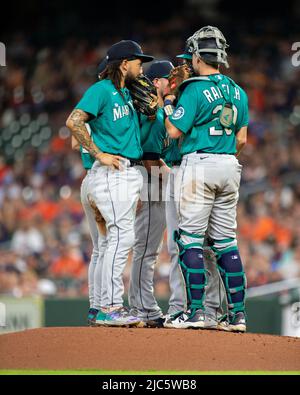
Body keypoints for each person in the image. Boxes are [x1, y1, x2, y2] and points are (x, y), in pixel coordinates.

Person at [164, 26, 248, 332]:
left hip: (199, 164)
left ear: (199, 55)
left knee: (189, 240)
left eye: (192, 56)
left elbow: (173, 131)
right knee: (226, 242)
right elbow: (242, 139)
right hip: (229, 164)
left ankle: (196, 311)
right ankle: (237, 315)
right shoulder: (239, 91)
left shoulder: (195, 89)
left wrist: (168, 104)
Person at [66, 40, 154, 327]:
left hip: (116, 176)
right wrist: (99, 153)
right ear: (124, 64)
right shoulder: (102, 90)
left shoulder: (125, 93)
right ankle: (111, 307)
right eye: (139, 62)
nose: (142, 68)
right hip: (110, 174)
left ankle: (98, 306)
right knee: (120, 239)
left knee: (106, 244)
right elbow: (74, 121)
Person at [128, 60, 174, 327]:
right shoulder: (154, 115)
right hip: (147, 182)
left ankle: (141, 305)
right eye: (168, 78)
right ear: (156, 82)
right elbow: (148, 158)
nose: (173, 82)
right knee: (146, 251)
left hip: (151, 180)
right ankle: (143, 308)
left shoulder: (158, 114)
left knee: (147, 250)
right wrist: (174, 179)